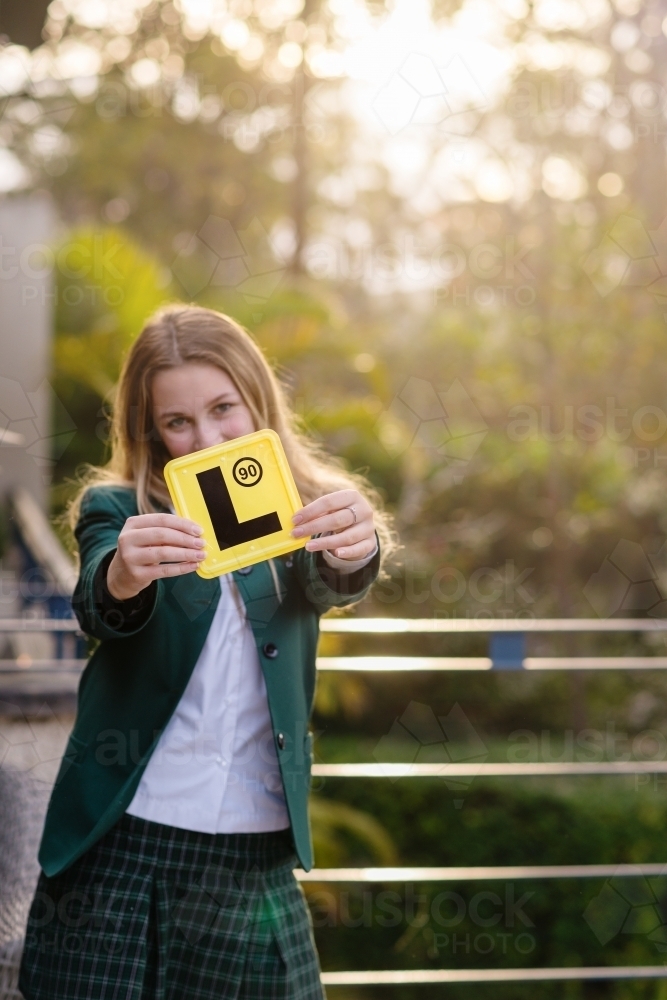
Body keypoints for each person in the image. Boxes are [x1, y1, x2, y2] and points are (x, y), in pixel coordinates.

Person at [19, 304, 391, 1000]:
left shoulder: (308, 507)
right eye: (177, 422)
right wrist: (123, 571)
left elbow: (336, 575)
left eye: (224, 408)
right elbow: (102, 601)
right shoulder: (120, 508)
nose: (208, 437)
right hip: (122, 844)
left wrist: (359, 547)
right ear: (151, 431)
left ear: (258, 401)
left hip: (254, 852)